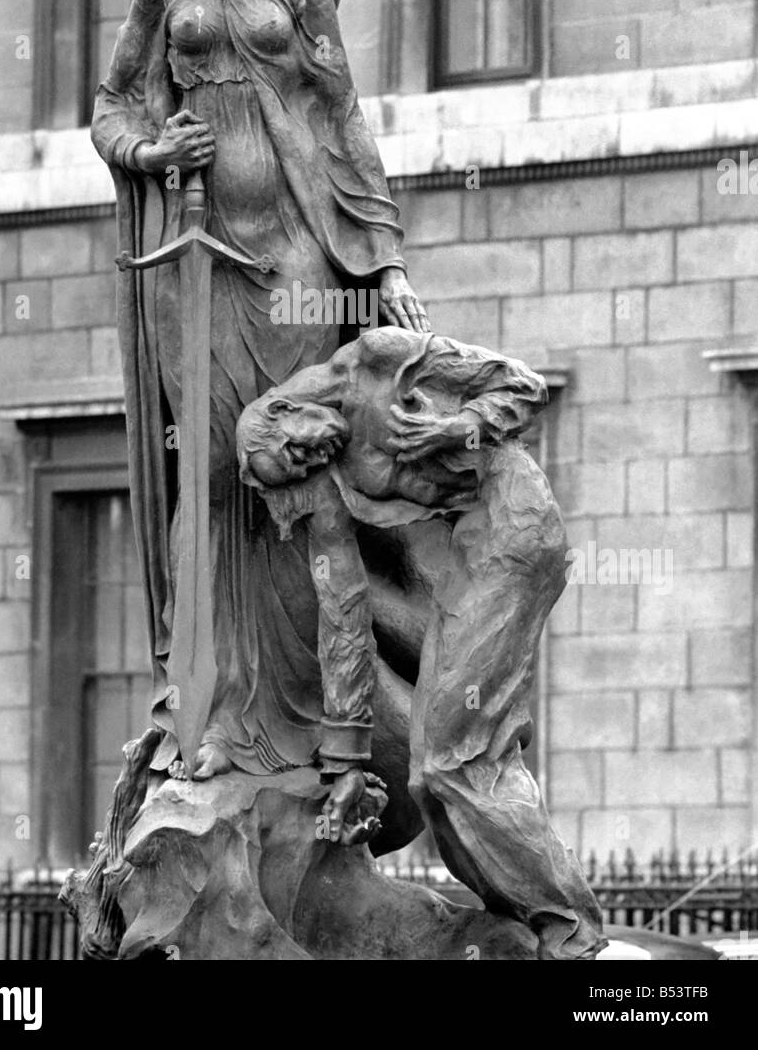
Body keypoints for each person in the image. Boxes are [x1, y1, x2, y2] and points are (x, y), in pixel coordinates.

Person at [91, 0, 428, 781]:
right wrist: (154, 150)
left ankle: (311, 735)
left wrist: (390, 263)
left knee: (288, 483)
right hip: (194, 268)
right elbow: (111, 105)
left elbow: (344, 125)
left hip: (297, 261)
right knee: (206, 481)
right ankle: (204, 718)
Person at [236, 327, 606, 960]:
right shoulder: (326, 482)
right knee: (432, 774)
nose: (309, 462)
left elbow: (525, 387)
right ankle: (534, 921)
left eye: (296, 454)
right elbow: (343, 611)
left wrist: (453, 428)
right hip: (471, 549)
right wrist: (347, 761)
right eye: (298, 470)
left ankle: (570, 930)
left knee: (451, 760)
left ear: (285, 410)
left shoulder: (382, 359)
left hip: (515, 526)